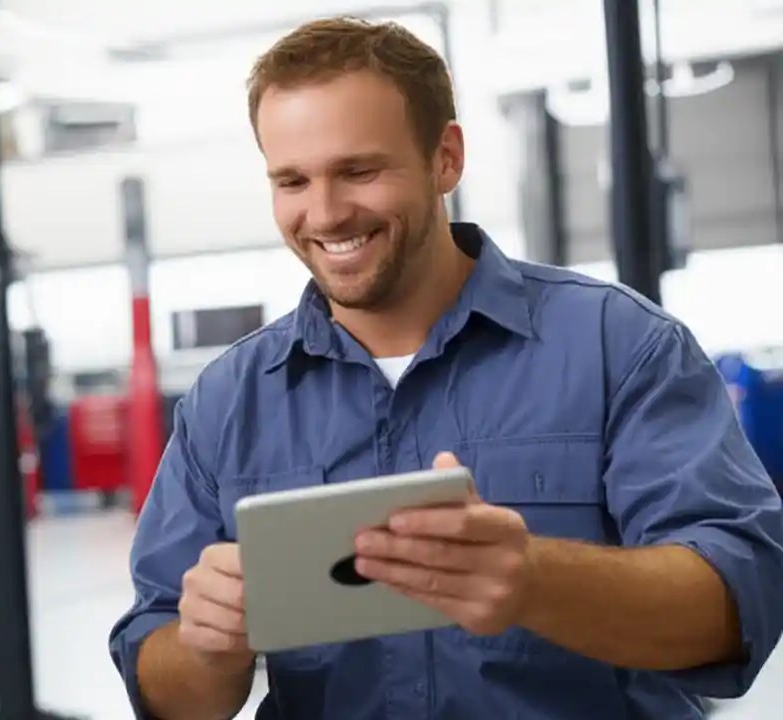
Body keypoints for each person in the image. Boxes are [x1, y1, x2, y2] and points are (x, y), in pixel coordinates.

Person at [109, 17, 783, 720]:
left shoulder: (619, 345)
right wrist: (206, 647)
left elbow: (740, 599)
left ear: (446, 158)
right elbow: (162, 685)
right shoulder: (227, 401)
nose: (326, 213)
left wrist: (535, 580)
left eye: (359, 170)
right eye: (292, 180)